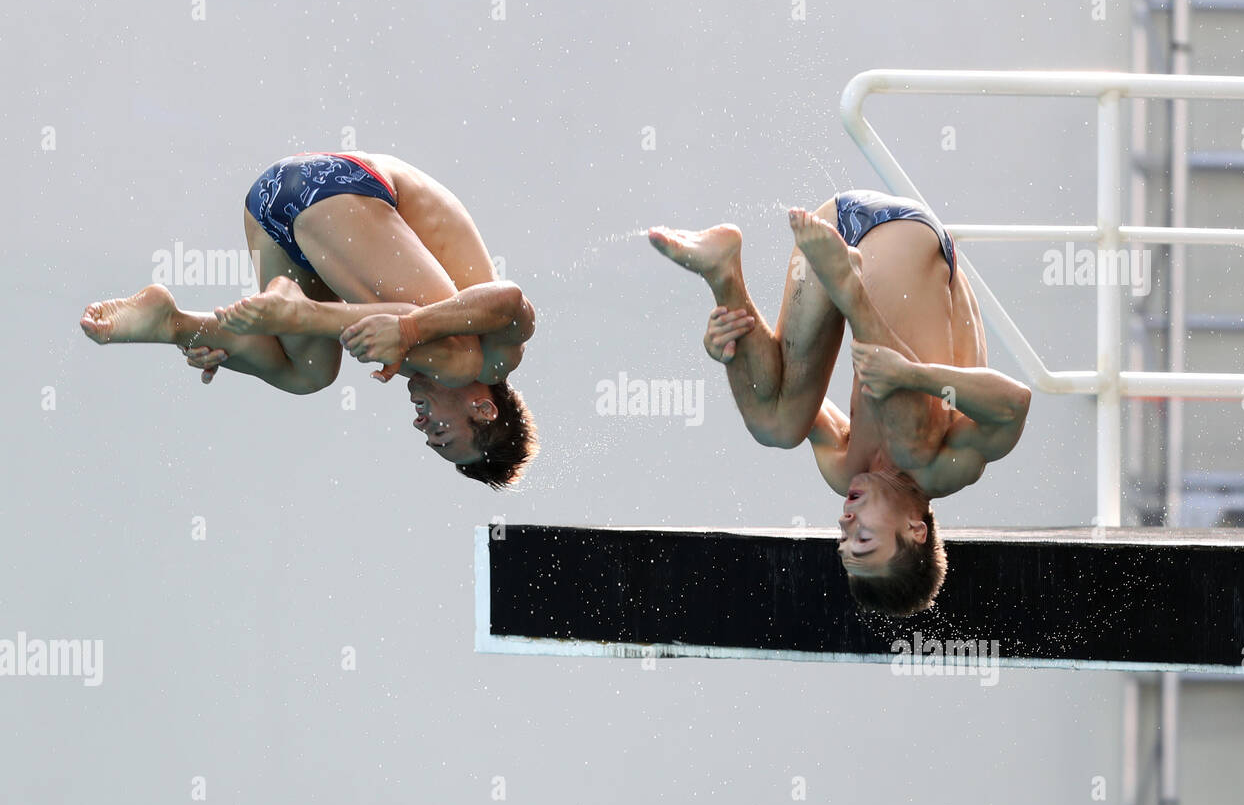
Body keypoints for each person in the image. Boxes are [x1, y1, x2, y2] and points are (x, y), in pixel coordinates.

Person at [649, 190, 1031, 616]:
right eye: (864, 540)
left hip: (831, 231)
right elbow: (1014, 402)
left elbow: (778, 392)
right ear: (916, 530)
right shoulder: (949, 466)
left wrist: (730, 350)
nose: (845, 524)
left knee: (776, 427)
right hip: (901, 231)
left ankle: (722, 272)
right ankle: (849, 287)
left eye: (843, 542)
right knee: (913, 449)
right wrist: (911, 375)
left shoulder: (843, 469)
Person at [80, 151, 537, 488]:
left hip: (274, 206)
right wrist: (407, 329)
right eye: (440, 432)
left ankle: (173, 323)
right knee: (457, 357)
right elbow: (512, 302)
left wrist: (230, 348)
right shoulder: (493, 359)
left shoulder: (430, 359)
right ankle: (302, 312)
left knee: (308, 375)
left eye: (428, 437)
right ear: (484, 408)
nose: (421, 426)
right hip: (337, 185)